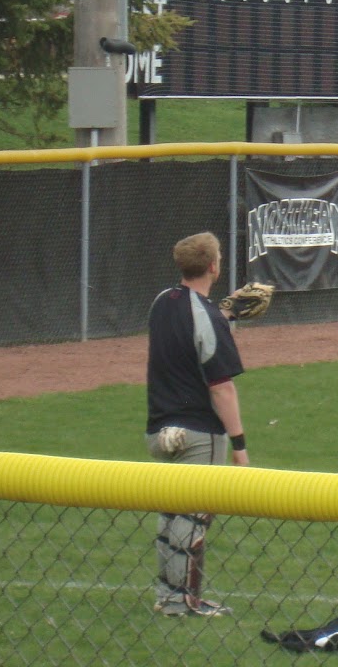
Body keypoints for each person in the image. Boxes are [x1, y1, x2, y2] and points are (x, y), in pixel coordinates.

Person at [145, 231, 250, 617]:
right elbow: (221, 388)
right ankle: (183, 601)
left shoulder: (162, 301)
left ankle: (167, 595)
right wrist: (239, 446)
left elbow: (187, 329)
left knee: (171, 513)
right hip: (198, 433)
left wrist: (225, 314)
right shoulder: (206, 316)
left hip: (159, 429)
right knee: (194, 516)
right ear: (213, 266)